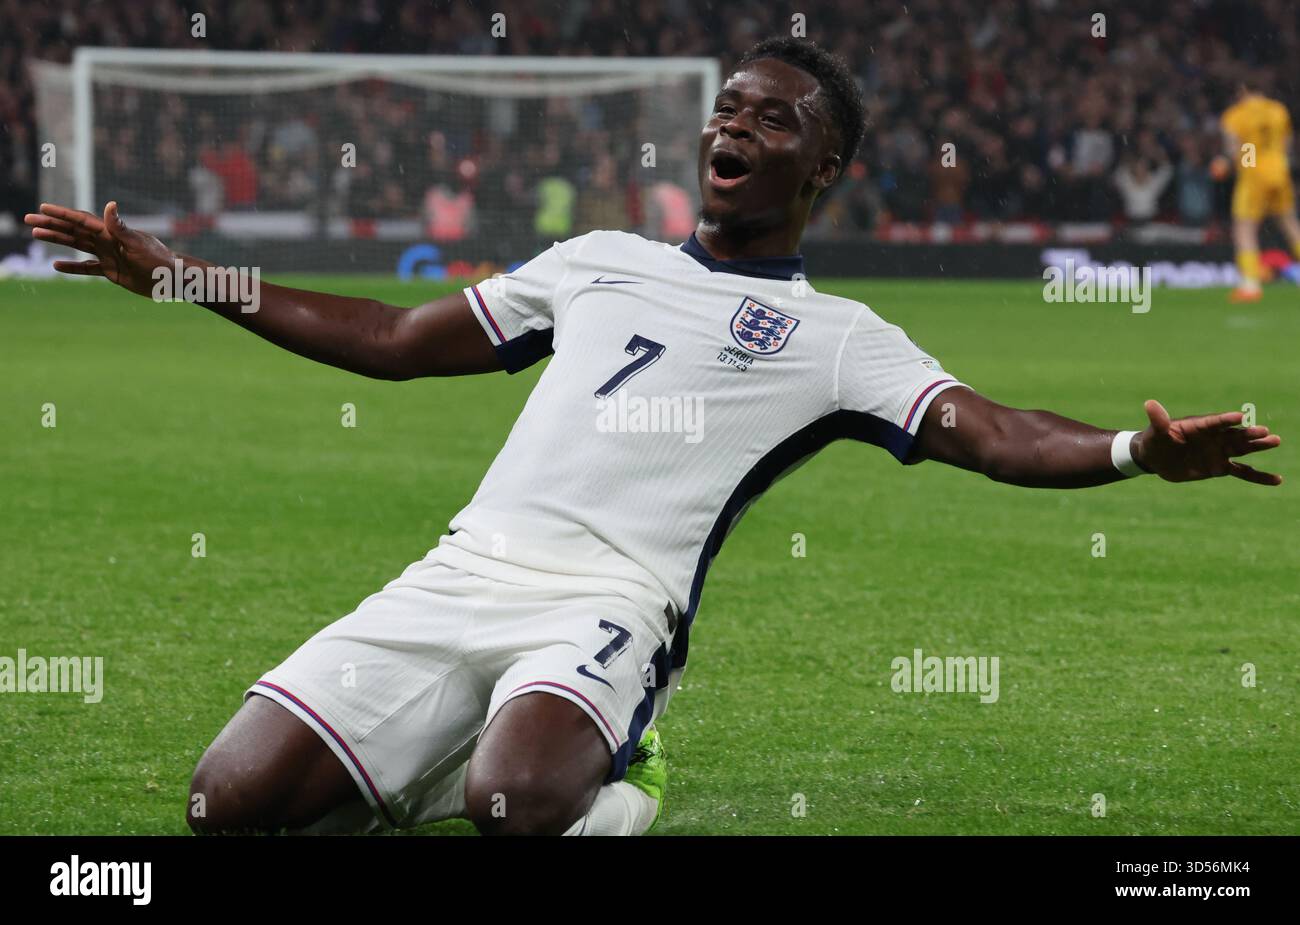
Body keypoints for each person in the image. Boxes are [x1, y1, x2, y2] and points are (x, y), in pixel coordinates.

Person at [25, 38, 1284, 837]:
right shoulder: (597, 261)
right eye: (730, 108)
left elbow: (994, 432)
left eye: (774, 119)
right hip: (464, 570)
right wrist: (179, 278)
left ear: (824, 166)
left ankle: (625, 780)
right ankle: (425, 756)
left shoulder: (836, 336)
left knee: (516, 809)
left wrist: (1133, 450)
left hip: (611, 602)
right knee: (221, 806)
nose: (736, 128)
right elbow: (393, 339)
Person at [1214, 79, 1300, 301]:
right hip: (1279, 171)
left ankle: (1250, 285)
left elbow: (1237, 148)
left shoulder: (1236, 115)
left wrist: (1231, 163)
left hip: (1254, 173)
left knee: (1245, 228)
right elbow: (1286, 143)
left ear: (1242, 91)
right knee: (1290, 224)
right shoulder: (1278, 110)